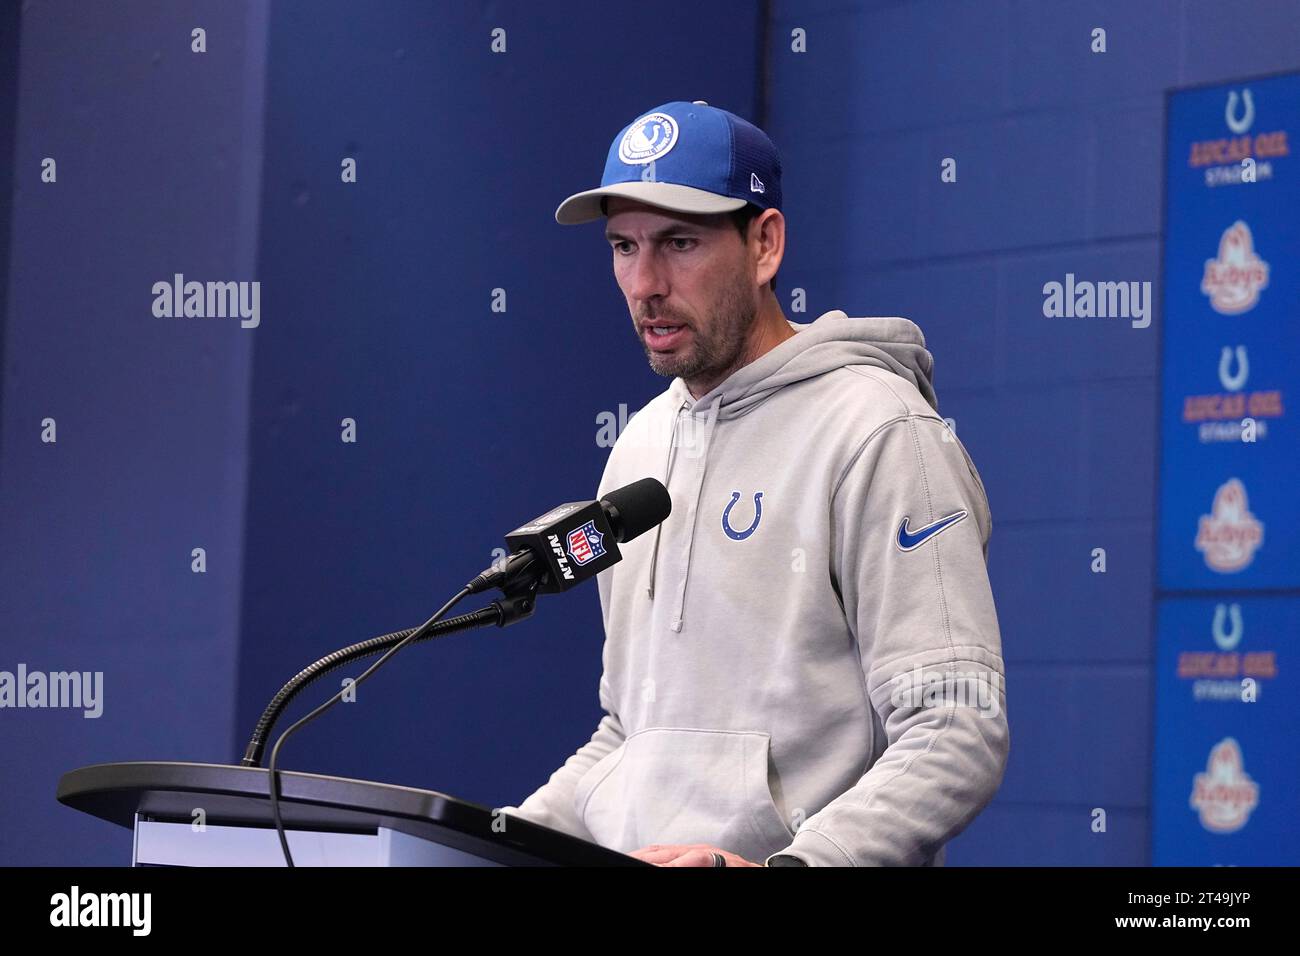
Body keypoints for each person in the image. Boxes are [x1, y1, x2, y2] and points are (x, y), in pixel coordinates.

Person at [500, 101, 1009, 867]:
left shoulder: (879, 431)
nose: (646, 283)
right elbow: (631, 735)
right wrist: (500, 841)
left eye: (679, 242)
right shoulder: (638, 445)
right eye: (623, 246)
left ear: (764, 243)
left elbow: (956, 723)